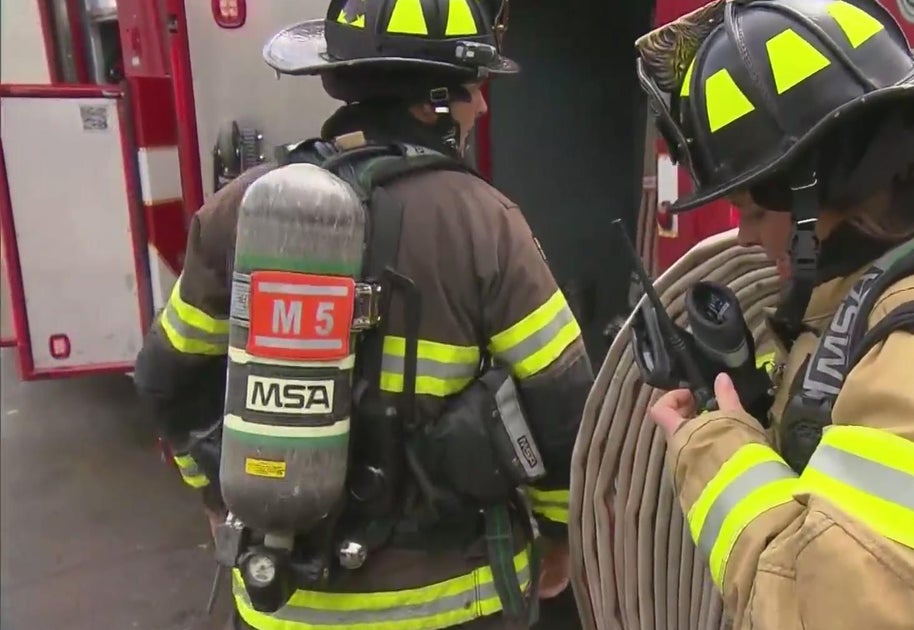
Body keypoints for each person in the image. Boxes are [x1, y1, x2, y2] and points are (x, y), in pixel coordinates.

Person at [133, 1, 593, 628]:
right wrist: (560, 534)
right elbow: (562, 402)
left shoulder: (241, 210)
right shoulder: (486, 223)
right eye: (469, 90)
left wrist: (217, 493)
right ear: (431, 99)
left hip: (284, 603)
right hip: (455, 603)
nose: (480, 107)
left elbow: (167, 379)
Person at [636, 1, 914, 628]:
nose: (742, 240)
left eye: (755, 212)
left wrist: (715, 448)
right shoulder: (879, 291)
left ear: (821, 194)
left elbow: (823, 611)